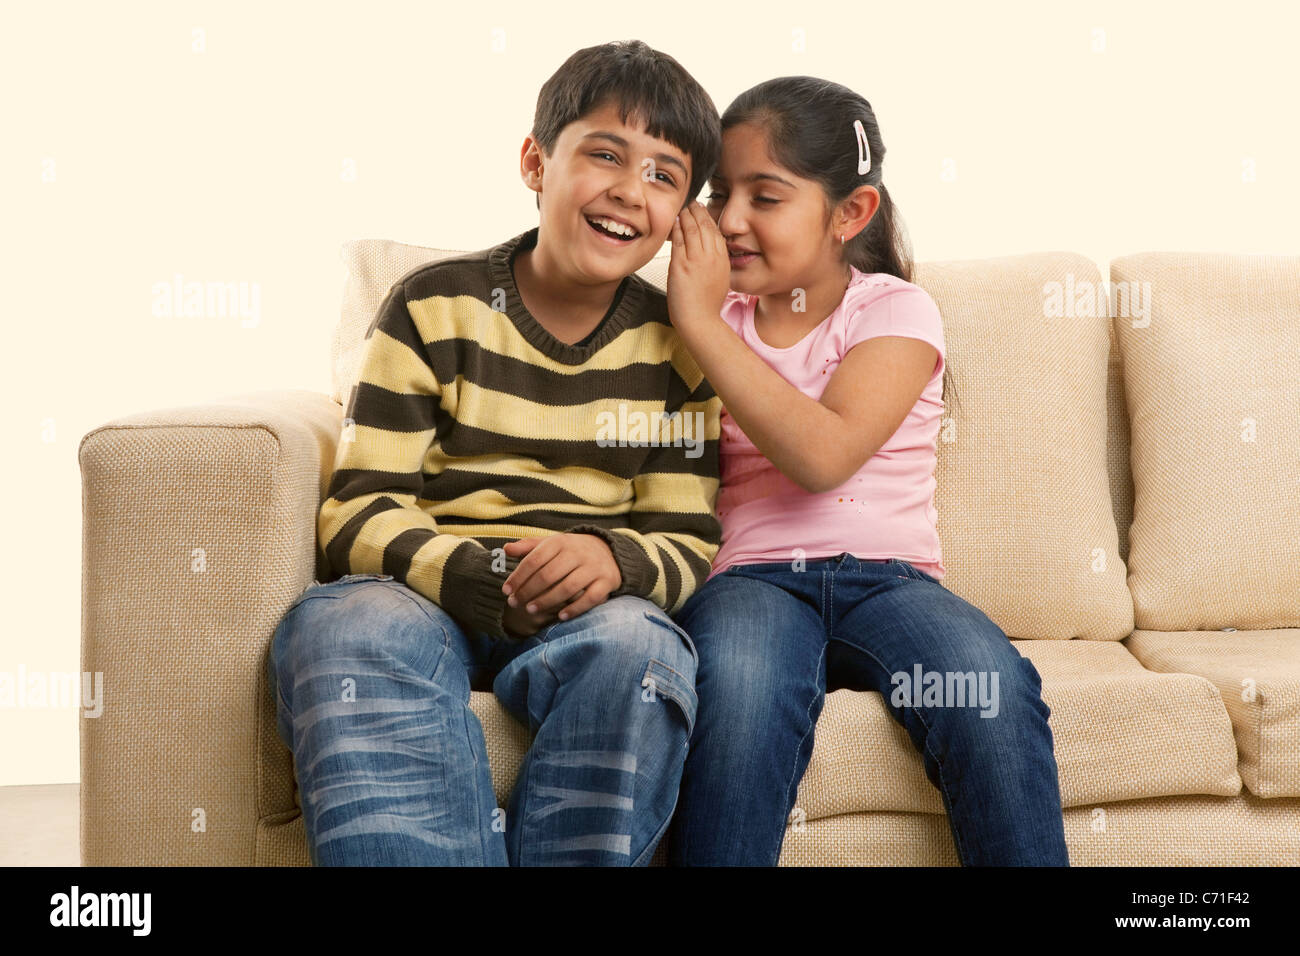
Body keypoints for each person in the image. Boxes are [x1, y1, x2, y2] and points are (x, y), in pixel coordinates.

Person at [267, 40, 723, 866]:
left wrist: (614, 559)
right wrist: (482, 582)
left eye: (664, 175)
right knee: (346, 625)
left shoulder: (682, 349)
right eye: (606, 155)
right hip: (426, 591)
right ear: (535, 163)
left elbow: (687, 539)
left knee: (644, 650)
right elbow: (359, 509)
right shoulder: (433, 307)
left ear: (683, 213)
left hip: (590, 611)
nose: (631, 189)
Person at [662, 76, 1070, 866]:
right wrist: (698, 318)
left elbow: (824, 455)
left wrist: (699, 325)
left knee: (988, 690)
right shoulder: (709, 313)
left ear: (850, 213)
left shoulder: (892, 309)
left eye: (765, 197)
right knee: (740, 696)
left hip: (888, 580)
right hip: (752, 580)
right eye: (719, 194)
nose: (731, 219)